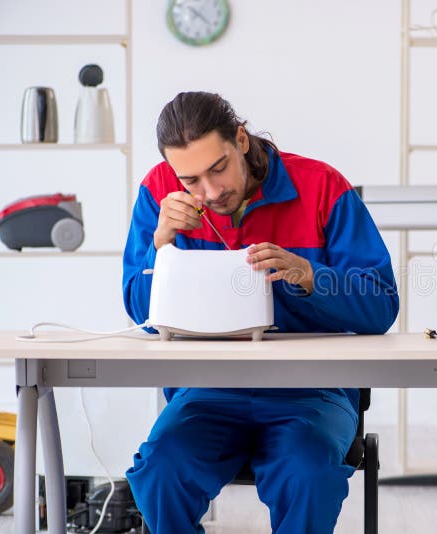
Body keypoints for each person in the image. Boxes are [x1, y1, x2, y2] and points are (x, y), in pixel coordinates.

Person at [121, 91, 399, 533]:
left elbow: (382, 302)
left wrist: (311, 277)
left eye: (218, 168)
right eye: (191, 180)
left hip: (312, 390)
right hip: (207, 391)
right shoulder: (159, 191)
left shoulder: (322, 186)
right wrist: (161, 245)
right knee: (160, 472)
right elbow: (141, 313)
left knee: (309, 474)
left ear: (241, 139)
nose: (210, 192)